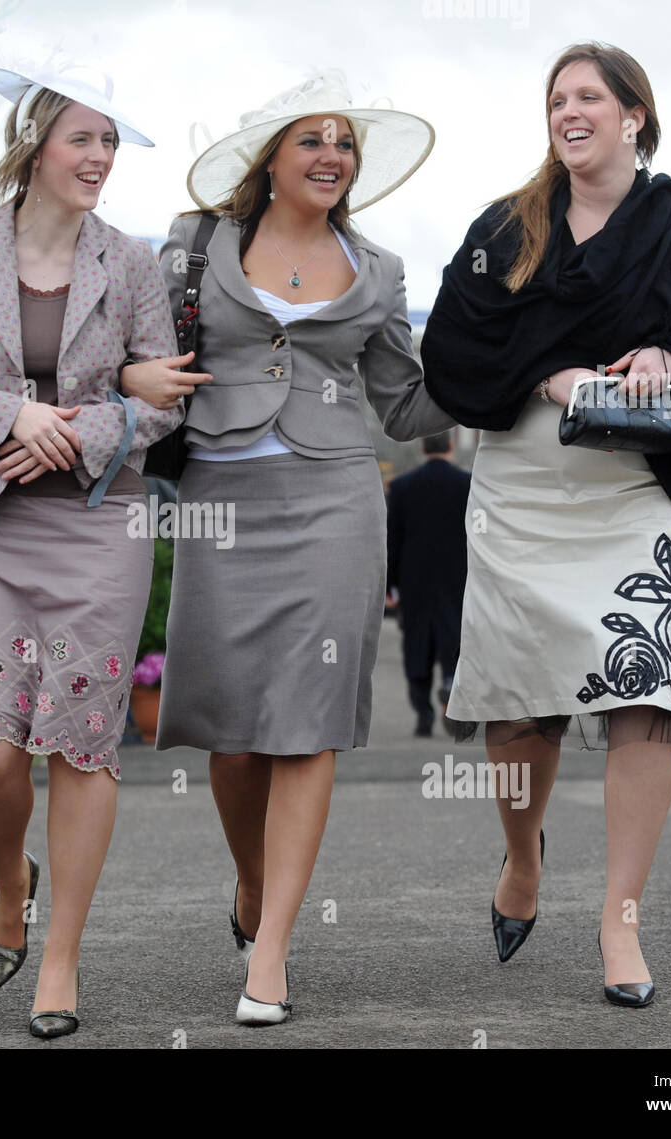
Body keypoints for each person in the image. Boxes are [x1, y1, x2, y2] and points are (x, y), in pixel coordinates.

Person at [421, 42, 671, 1007]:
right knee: (519, 709)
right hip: (525, 490)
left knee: (649, 686)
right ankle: (524, 858)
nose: (569, 112)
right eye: (557, 99)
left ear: (634, 116)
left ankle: (621, 918)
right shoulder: (506, 228)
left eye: (589, 98)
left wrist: (666, 353)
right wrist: (548, 373)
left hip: (640, 489)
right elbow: (452, 347)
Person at [126, 70, 450, 1025]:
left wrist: (490, 362)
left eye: (344, 142)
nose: (330, 155)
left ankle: (270, 950)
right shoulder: (195, 243)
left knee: (308, 723)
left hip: (336, 500)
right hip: (221, 502)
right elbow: (135, 348)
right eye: (311, 139)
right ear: (269, 158)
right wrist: (133, 377)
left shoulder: (380, 268)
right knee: (232, 739)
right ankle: (252, 882)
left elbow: (404, 402)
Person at [0, 63, 183, 1039]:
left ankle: (59, 956)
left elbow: (160, 398)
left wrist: (74, 432)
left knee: (82, 742)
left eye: (110, 143)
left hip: (101, 524)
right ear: (35, 145)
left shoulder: (133, 261)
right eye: (82, 140)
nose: (100, 158)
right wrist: (12, 415)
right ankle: (10, 882)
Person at [386, 431, 471, 736]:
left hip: (415, 581)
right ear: (451, 445)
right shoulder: (468, 485)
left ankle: (423, 713)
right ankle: (451, 684)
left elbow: (392, 541)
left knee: (417, 645)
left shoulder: (401, 487)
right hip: (458, 579)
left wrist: (390, 586)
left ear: (422, 446)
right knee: (455, 640)